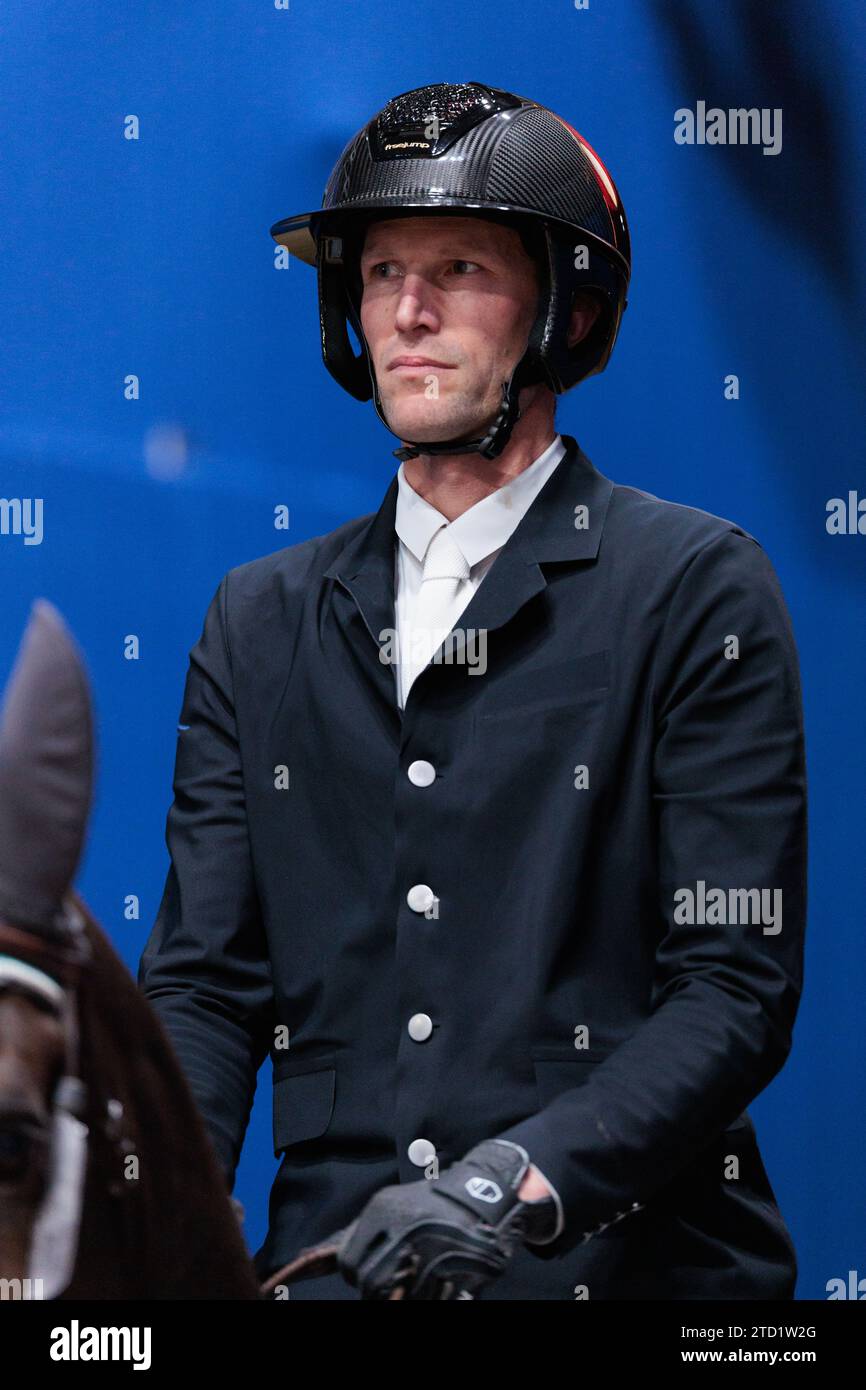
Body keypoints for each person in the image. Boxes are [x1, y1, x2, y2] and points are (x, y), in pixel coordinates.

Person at [138, 81, 807, 1300]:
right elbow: (203, 987)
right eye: (379, 270)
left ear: (566, 308)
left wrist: (511, 1182)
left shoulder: (695, 587)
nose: (406, 310)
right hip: (326, 1269)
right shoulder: (257, 618)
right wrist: (144, 1227)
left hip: (631, 1275)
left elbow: (730, 987)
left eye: (456, 266)